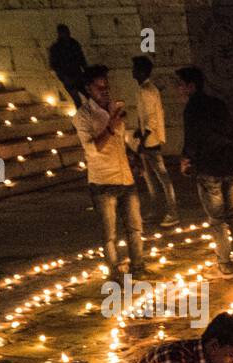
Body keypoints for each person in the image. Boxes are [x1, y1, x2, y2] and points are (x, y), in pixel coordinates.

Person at [176, 67, 233, 280]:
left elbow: (192, 141)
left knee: (217, 220)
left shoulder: (191, 109)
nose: (178, 89)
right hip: (230, 166)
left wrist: (186, 160)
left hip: (209, 170)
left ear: (191, 86)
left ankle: (225, 265)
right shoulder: (219, 104)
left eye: (180, 84)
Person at [74, 65, 145, 277]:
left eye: (107, 87)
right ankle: (116, 273)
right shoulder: (83, 116)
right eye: (99, 88)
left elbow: (121, 141)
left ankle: (138, 267)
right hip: (103, 182)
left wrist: (135, 157)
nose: (105, 91)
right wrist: (111, 126)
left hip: (126, 178)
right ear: (89, 89)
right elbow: (93, 149)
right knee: (109, 235)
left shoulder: (114, 107)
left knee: (135, 229)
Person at [130, 56, 179, 227]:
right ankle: (156, 210)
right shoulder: (145, 89)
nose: (132, 71)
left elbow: (151, 119)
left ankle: (172, 212)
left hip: (151, 143)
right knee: (150, 179)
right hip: (147, 140)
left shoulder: (147, 91)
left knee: (162, 178)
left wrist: (143, 139)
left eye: (134, 68)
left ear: (142, 71)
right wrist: (139, 130)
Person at [48, 24, 87, 107]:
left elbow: (81, 58)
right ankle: (82, 117)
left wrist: (86, 72)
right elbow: (54, 65)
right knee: (77, 99)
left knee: (88, 96)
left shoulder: (74, 44)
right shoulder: (56, 48)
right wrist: (63, 77)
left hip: (77, 74)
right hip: (67, 77)